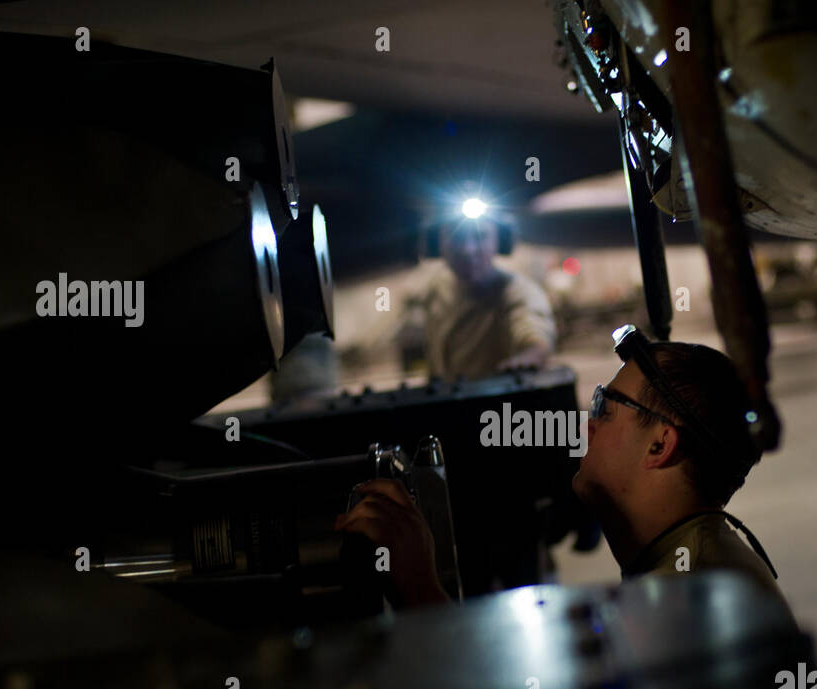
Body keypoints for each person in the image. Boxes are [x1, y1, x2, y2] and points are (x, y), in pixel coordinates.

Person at [335, 324, 791, 617]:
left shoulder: (691, 597)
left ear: (659, 444)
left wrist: (417, 586)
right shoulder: (694, 567)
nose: (586, 424)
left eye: (604, 407)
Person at [399, 208, 556, 379]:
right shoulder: (435, 289)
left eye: (481, 236)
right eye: (456, 237)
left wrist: (530, 356)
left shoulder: (519, 292)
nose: (468, 249)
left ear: (500, 240)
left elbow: (534, 334)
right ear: (437, 242)